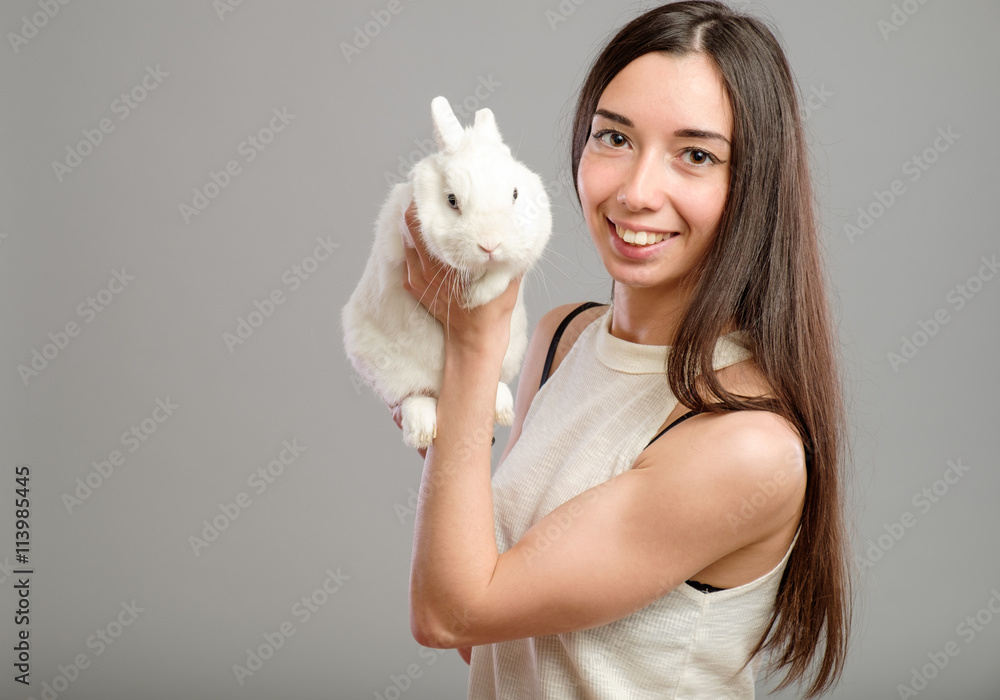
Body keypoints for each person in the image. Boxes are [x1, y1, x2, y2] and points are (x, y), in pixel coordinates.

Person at [392, 1, 853, 697]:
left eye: (696, 155)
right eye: (614, 138)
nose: (637, 192)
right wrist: (446, 426)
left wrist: (470, 351)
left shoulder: (746, 444)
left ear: (751, 186)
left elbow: (450, 615)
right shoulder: (562, 336)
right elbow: (502, 638)